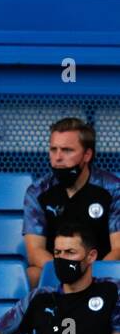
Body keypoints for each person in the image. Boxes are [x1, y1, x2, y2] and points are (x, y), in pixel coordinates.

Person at [23, 118, 120, 287]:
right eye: (53, 150)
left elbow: (118, 249)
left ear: (87, 155)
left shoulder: (113, 189)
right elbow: (35, 251)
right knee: (32, 274)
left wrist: (88, 275)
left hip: (101, 272)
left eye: (67, 150)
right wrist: (67, 271)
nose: (58, 158)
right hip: (58, 271)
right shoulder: (37, 192)